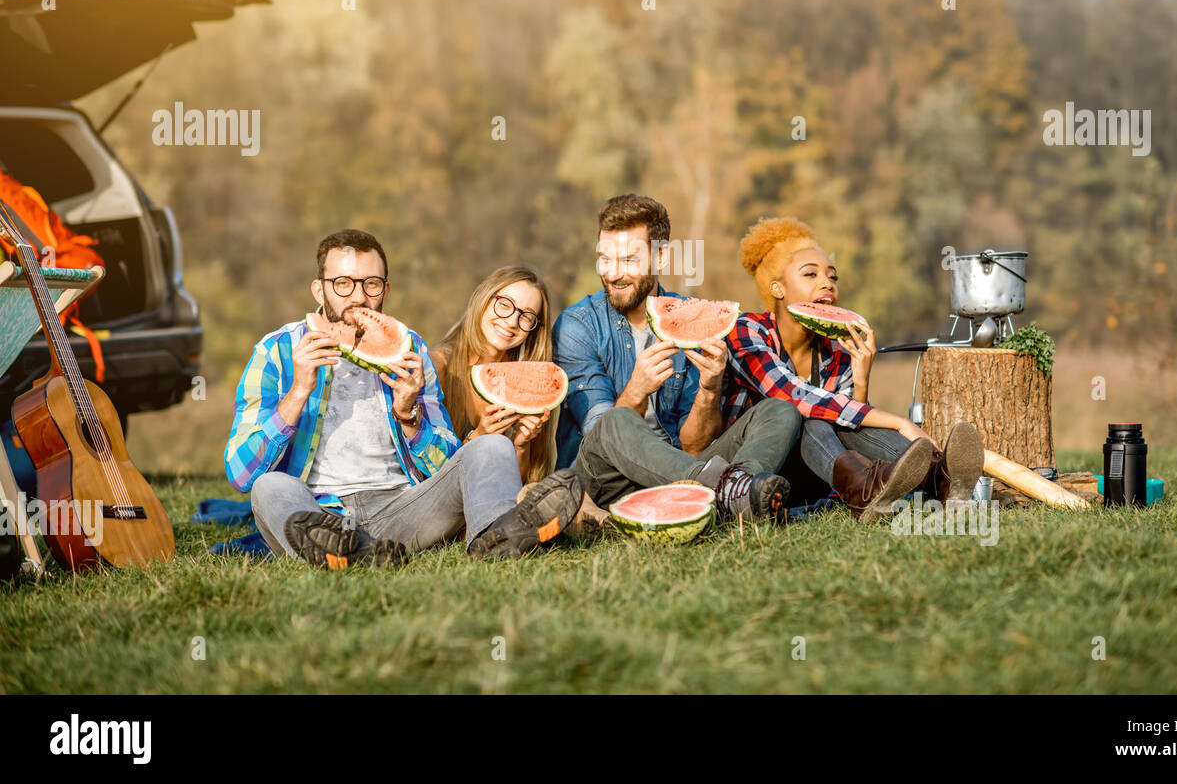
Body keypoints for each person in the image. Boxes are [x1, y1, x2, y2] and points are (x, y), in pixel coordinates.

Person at [223, 230, 583, 567]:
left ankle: (497, 538)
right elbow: (241, 474)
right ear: (319, 290)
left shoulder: (410, 350)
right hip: (320, 514)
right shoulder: (276, 351)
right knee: (270, 487)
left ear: (386, 289)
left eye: (372, 284)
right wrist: (298, 392)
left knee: (491, 447)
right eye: (343, 283)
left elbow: (444, 464)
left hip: (402, 509)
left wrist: (409, 415)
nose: (359, 297)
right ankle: (350, 552)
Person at [553, 194, 803, 521]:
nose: (612, 274)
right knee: (617, 419)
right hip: (602, 485)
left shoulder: (690, 317)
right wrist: (636, 390)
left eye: (628, 260)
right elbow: (600, 437)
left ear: (661, 259)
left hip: (680, 474)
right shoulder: (577, 326)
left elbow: (694, 446)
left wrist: (710, 390)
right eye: (604, 258)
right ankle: (729, 493)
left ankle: (734, 496)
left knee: (780, 411)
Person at [724, 217, 984, 519]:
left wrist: (861, 378)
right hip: (753, 477)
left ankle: (939, 480)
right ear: (778, 289)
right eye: (810, 274)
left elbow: (848, 421)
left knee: (826, 419)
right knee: (808, 416)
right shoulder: (748, 330)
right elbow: (790, 395)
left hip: (816, 477)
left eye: (832, 276)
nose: (826, 283)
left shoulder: (836, 349)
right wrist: (899, 422)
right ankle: (898, 485)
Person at [431, 264, 608, 533]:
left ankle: (601, 522)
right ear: (484, 298)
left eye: (527, 316)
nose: (512, 321)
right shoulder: (439, 366)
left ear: (533, 329)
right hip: (453, 511)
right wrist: (478, 436)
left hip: (507, 508)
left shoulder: (531, 381)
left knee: (555, 484)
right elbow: (426, 471)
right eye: (505, 305)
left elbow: (521, 484)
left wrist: (522, 445)